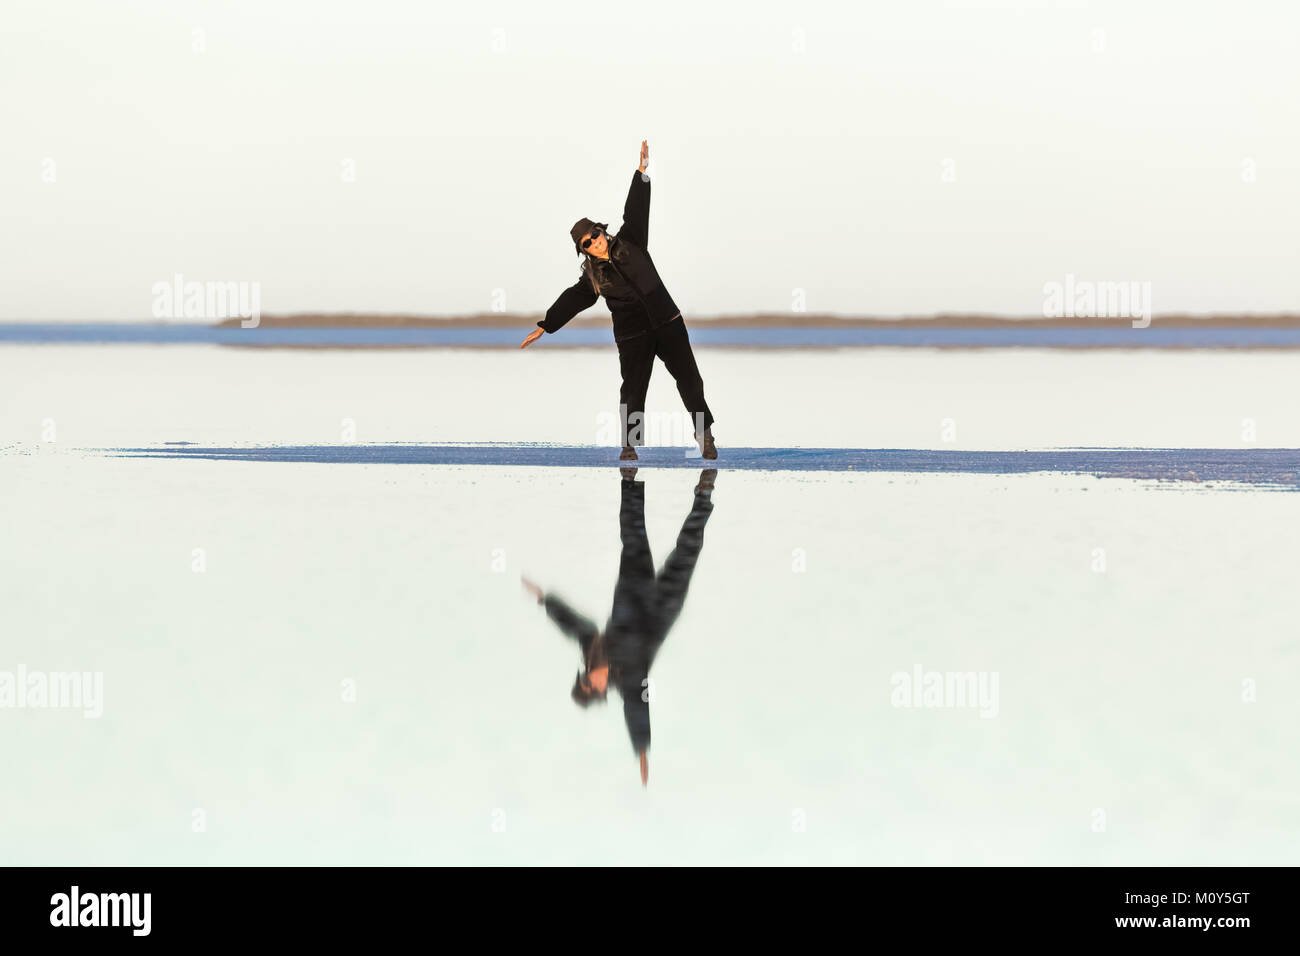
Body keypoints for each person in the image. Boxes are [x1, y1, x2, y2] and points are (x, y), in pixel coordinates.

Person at [520, 140, 717, 461]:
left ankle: (704, 434)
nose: (593, 243)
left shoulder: (632, 240)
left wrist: (641, 173)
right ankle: (630, 445)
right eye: (587, 244)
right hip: (632, 336)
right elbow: (573, 299)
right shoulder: (593, 277)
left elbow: (635, 209)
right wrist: (547, 324)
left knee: (691, 381)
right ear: (583, 250)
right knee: (633, 390)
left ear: (601, 231)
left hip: (668, 323)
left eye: (594, 235)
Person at [522, 467, 716, 786]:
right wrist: (641, 750)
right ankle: (704, 495)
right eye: (593, 687)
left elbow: (573, 624)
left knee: (634, 540)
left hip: (631, 596)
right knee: (688, 551)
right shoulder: (628, 682)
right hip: (662, 610)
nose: (591, 678)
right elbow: (637, 711)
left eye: (586, 679)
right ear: (598, 690)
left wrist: (545, 600)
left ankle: (628, 479)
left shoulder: (591, 650)